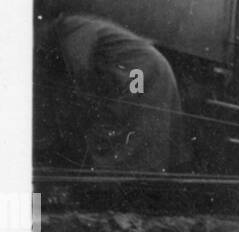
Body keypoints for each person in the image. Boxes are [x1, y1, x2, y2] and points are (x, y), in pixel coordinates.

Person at [37, 12, 186, 172]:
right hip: (144, 68)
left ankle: (120, 182)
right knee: (138, 131)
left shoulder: (69, 28)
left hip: (140, 70)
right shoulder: (75, 28)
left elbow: (79, 70)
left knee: (131, 127)